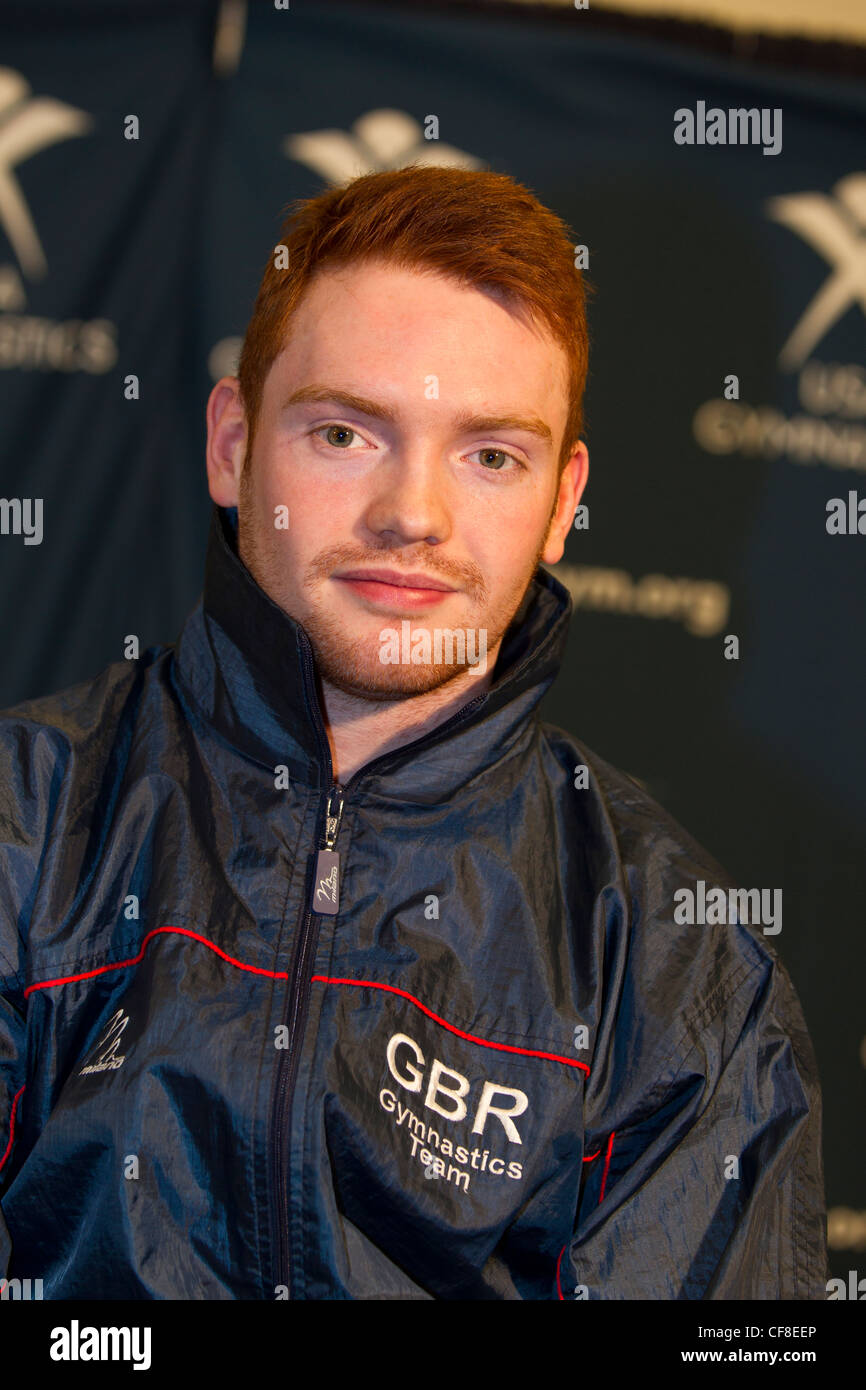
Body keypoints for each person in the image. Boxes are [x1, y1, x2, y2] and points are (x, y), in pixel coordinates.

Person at [0, 165, 826, 1300]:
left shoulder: (675, 969)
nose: (414, 514)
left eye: (490, 454)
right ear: (233, 446)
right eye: (345, 432)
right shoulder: (24, 826)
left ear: (559, 504)